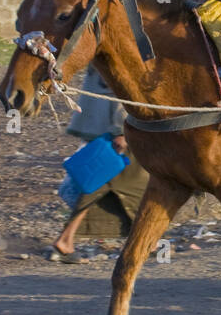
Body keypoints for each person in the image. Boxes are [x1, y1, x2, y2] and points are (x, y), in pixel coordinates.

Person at [51, 65, 150, 262]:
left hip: (102, 124)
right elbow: (122, 85)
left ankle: (148, 241)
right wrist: (121, 129)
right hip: (117, 129)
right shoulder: (123, 40)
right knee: (114, 183)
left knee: (105, 182)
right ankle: (65, 241)